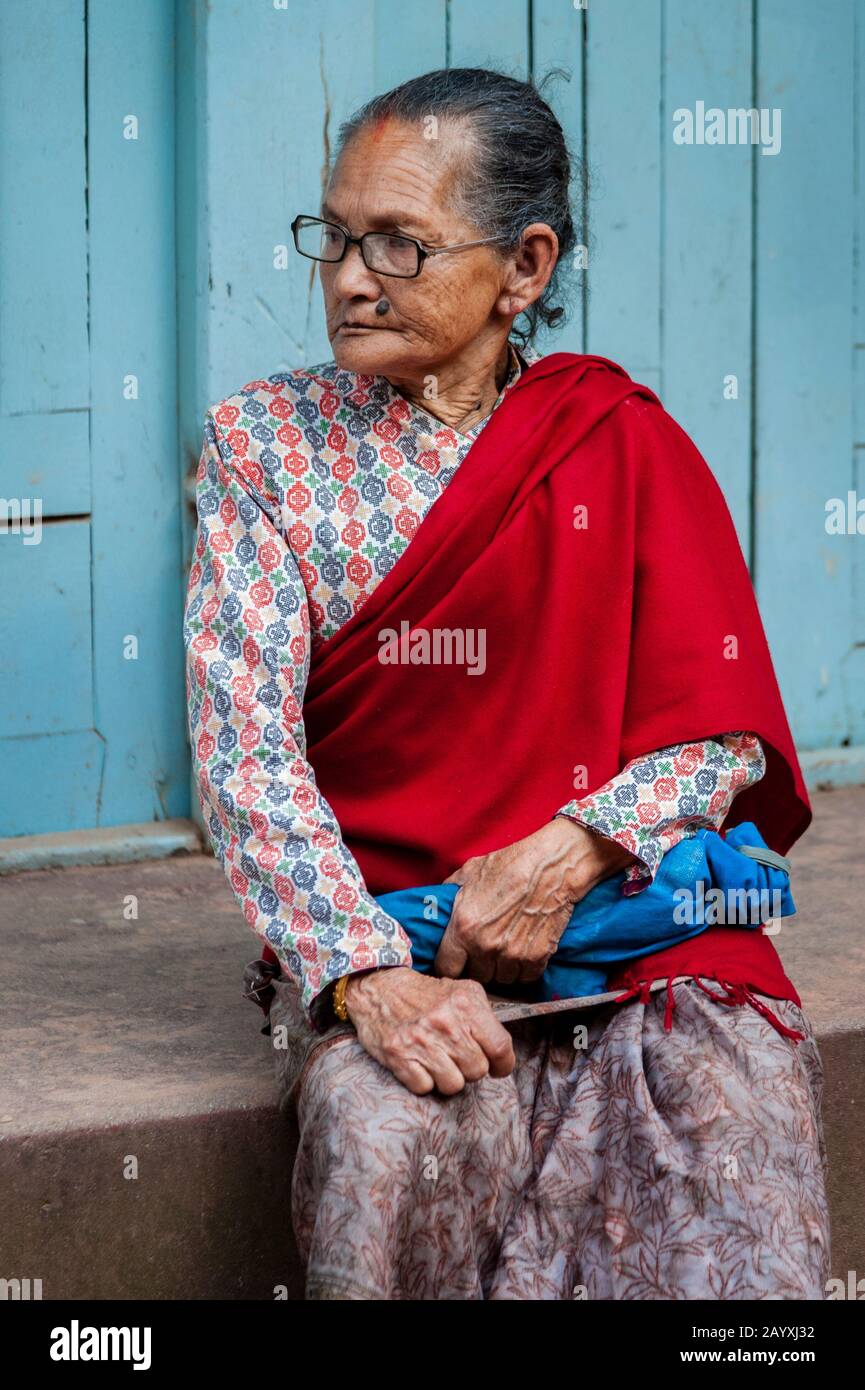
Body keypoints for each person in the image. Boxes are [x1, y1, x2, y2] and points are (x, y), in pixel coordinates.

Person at [183, 68, 830, 1300]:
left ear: (524, 267)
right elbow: (246, 754)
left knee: (725, 1113)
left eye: (399, 245)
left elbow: (723, 732)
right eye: (333, 235)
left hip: (627, 929)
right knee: (388, 1136)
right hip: (392, 932)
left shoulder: (617, 438)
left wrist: (577, 849)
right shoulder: (265, 448)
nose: (347, 277)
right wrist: (367, 977)